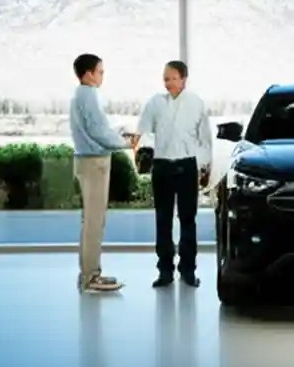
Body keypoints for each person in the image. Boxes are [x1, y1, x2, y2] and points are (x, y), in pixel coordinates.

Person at [134, 60, 212, 288]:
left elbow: (205, 140)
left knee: (188, 220)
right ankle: (165, 271)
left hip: (187, 166)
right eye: (165, 78)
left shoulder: (197, 103)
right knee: (163, 220)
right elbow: (143, 132)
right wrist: (142, 155)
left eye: (172, 78)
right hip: (162, 167)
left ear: (183, 78)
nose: (168, 82)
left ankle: (188, 270)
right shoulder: (155, 103)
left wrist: (205, 167)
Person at [70, 53, 130, 293]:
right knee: (95, 222)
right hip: (94, 163)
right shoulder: (89, 95)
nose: (102, 76)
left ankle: (87, 274)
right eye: (100, 71)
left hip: (85, 161)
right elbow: (98, 131)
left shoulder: (79, 96)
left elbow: (96, 128)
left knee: (89, 221)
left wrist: (116, 134)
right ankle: (91, 276)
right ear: (88, 74)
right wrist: (124, 143)